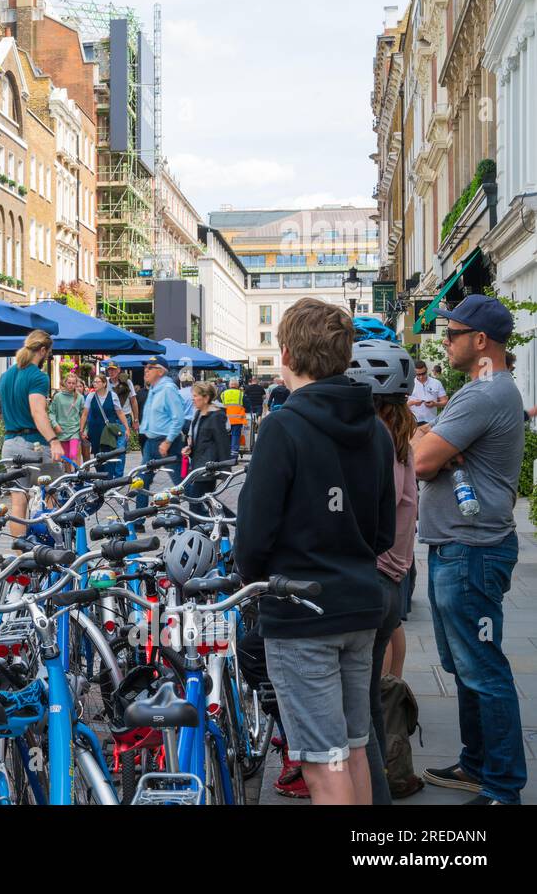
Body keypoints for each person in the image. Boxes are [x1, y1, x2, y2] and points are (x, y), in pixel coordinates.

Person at [235, 298, 395, 806]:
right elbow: (383, 531)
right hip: (360, 602)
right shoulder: (374, 428)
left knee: (322, 764)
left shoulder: (284, 425)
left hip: (303, 609)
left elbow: (254, 534)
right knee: (352, 750)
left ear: (286, 352)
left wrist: (255, 582)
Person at [411, 294, 527, 805]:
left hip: (471, 549)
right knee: (465, 665)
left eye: (453, 333)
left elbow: (419, 461)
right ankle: (475, 764)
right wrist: (435, 442)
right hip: (460, 545)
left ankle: (502, 787)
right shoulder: (484, 391)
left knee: (484, 669)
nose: (446, 341)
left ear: (481, 342)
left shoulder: (482, 395)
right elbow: (430, 450)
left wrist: (431, 440)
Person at [347, 339, 420, 804]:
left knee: (358, 717)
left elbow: (368, 520)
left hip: (374, 584)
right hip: (390, 585)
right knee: (366, 708)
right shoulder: (399, 441)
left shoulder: (378, 444)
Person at [0, 330, 60, 536]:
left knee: (18, 502)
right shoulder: (38, 377)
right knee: (52, 494)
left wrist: (15, 413)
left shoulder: (5, 376)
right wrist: (54, 440)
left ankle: (21, 556)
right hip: (34, 443)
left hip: (10, 444)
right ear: (42, 350)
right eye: (48, 354)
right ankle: (53, 546)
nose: (47, 357)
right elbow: (37, 412)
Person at [134, 356, 185, 509]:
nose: (145, 370)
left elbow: (178, 418)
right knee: (141, 481)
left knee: (181, 484)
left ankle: (201, 516)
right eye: (145, 367)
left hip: (168, 444)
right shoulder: (154, 389)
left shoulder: (168, 389)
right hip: (151, 443)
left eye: (150, 368)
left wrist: (168, 441)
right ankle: (138, 520)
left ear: (161, 371)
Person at [182, 380, 230, 506]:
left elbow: (222, 443)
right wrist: (190, 448)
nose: (193, 399)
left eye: (195, 396)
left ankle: (195, 526)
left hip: (208, 466)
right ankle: (228, 523)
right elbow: (200, 439)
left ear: (206, 397)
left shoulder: (216, 416)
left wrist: (225, 469)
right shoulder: (199, 413)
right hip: (199, 463)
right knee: (210, 501)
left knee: (195, 501)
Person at [82, 372, 127, 477]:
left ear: (104, 384)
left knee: (110, 454)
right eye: (94, 382)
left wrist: (126, 427)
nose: (95, 384)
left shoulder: (113, 395)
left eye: (97, 382)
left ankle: (109, 478)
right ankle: (101, 477)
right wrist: (82, 430)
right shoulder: (90, 396)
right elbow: (84, 414)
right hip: (95, 430)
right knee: (97, 454)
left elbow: (119, 412)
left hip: (108, 431)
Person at [49, 374, 85, 465]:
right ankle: (68, 476)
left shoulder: (80, 397)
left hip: (74, 431)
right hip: (61, 431)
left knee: (73, 454)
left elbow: (83, 416)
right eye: (69, 383)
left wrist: (84, 430)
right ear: (65, 383)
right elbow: (52, 413)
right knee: (65, 458)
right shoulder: (57, 397)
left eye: (73, 383)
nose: (71, 385)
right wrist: (55, 424)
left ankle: (76, 474)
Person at [408, 358, 448, 426]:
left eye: (423, 374)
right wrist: (412, 403)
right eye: (418, 374)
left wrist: (435, 404)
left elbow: (445, 402)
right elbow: (401, 405)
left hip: (431, 422)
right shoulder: (409, 383)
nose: (421, 377)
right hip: (413, 422)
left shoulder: (436, 383)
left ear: (427, 370)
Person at [220, 377, 247, 457]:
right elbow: (247, 405)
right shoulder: (241, 394)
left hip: (225, 419)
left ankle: (226, 454)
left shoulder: (223, 393)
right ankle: (234, 455)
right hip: (237, 419)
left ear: (229, 385)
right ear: (238, 385)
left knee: (226, 436)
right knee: (235, 436)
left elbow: (219, 404)